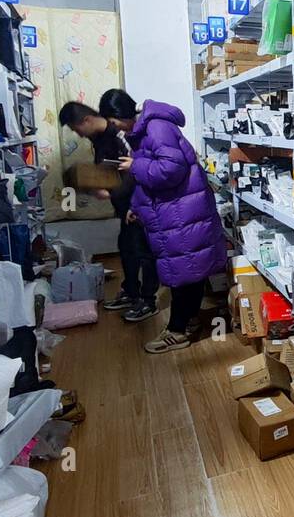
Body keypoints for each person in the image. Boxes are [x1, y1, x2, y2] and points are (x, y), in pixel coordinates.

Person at [120, 99, 227, 353]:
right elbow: (148, 181)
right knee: (189, 268)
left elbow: (171, 169)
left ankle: (177, 331)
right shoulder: (144, 131)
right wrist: (136, 206)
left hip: (182, 211)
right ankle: (189, 321)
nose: (117, 129)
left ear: (122, 114)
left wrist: (135, 165)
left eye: (115, 122)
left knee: (183, 271)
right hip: (176, 210)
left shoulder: (156, 127)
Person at [58, 92, 161, 323]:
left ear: (86, 120)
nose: (78, 134)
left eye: (76, 129)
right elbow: (111, 171)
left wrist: (115, 194)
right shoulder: (98, 138)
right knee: (127, 248)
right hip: (123, 205)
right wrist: (97, 186)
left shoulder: (119, 133)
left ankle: (148, 300)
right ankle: (131, 291)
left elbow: (135, 171)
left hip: (137, 204)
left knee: (144, 253)